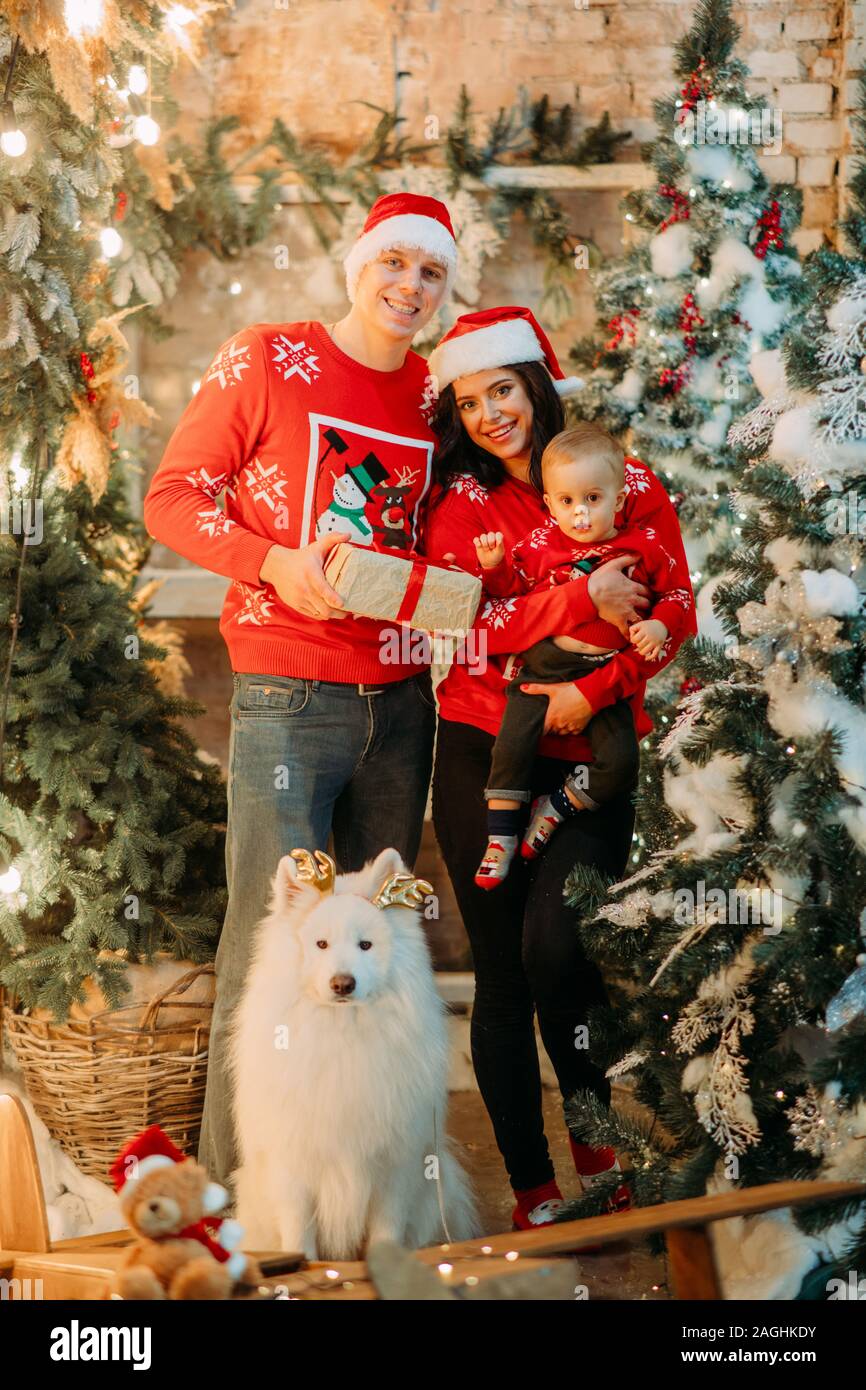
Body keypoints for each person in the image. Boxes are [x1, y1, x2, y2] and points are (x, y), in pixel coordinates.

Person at [142, 191, 458, 1190]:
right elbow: (173, 495)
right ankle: (233, 1198)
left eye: (431, 272)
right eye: (394, 262)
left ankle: (361, 1185)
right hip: (288, 696)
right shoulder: (269, 358)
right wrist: (274, 561)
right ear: (359, 263)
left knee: (378, 947)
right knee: (271, 943)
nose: (408, 286)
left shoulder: (436, 399)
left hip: (405, 707)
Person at [423, 305, 697, 1229]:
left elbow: (672, 611)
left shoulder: (625, 480)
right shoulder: (461, 501)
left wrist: (598, 687)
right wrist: (581, 595)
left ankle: (599, 1167)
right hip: (481, 744)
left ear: (534, 383)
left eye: (501, 389)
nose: (490, 414)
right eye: (468, 402)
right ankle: (533, 1194)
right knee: (501, 973)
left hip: (586, 751)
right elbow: (465, 625)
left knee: (559, 954)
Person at [472, 422, 693, 888]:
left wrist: (658, 623)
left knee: (621, 761)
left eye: (593, 499)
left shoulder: (642, 546)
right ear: (550, 503)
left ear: (618, 498)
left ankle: (557, 805)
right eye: (567, 502)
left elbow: (677, 596)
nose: (580, 514)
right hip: (546, 666)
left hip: (607, 673)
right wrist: (493, 568)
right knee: (511, 745)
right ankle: (502, 838)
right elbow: (508, 594)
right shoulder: (541, 546)